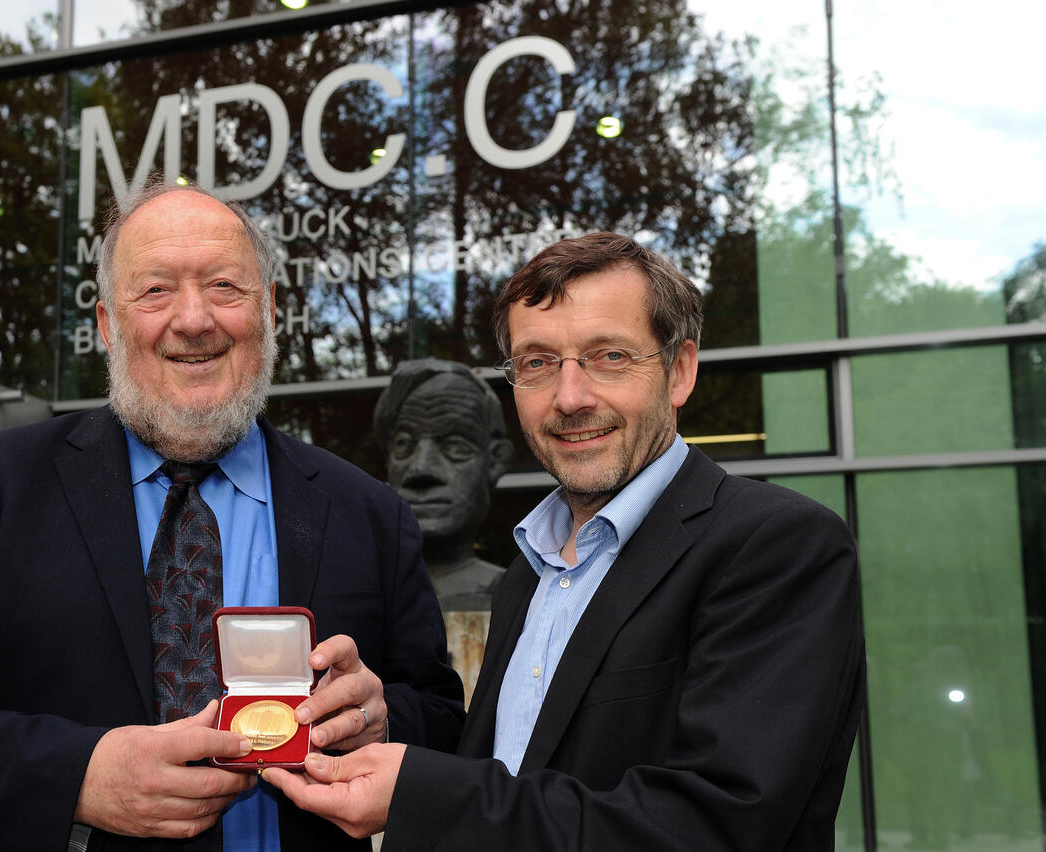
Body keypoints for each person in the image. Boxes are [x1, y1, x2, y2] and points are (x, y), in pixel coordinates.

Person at [0, 181, 465, 852]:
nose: (194, 320)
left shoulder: (368, 512)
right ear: (108, 324)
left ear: (270, 311)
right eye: (156, 290)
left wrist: (379, 719)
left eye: (225, 286)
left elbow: (439, 717)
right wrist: (81, 777)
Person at [266, 232, 866, 851]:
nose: (570, 397)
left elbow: (715, 827)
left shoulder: (777, 547)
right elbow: (513, 770)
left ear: (680, 371)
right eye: (537, 363)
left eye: (609, 356)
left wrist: (421, 793)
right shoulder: (532, 566)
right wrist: (379, 722)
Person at [372, 359, 513, 612]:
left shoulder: (518, 598)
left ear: (495, 461)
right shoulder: (359, 596)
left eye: (455, 445)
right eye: (404, 444)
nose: (420, 469)